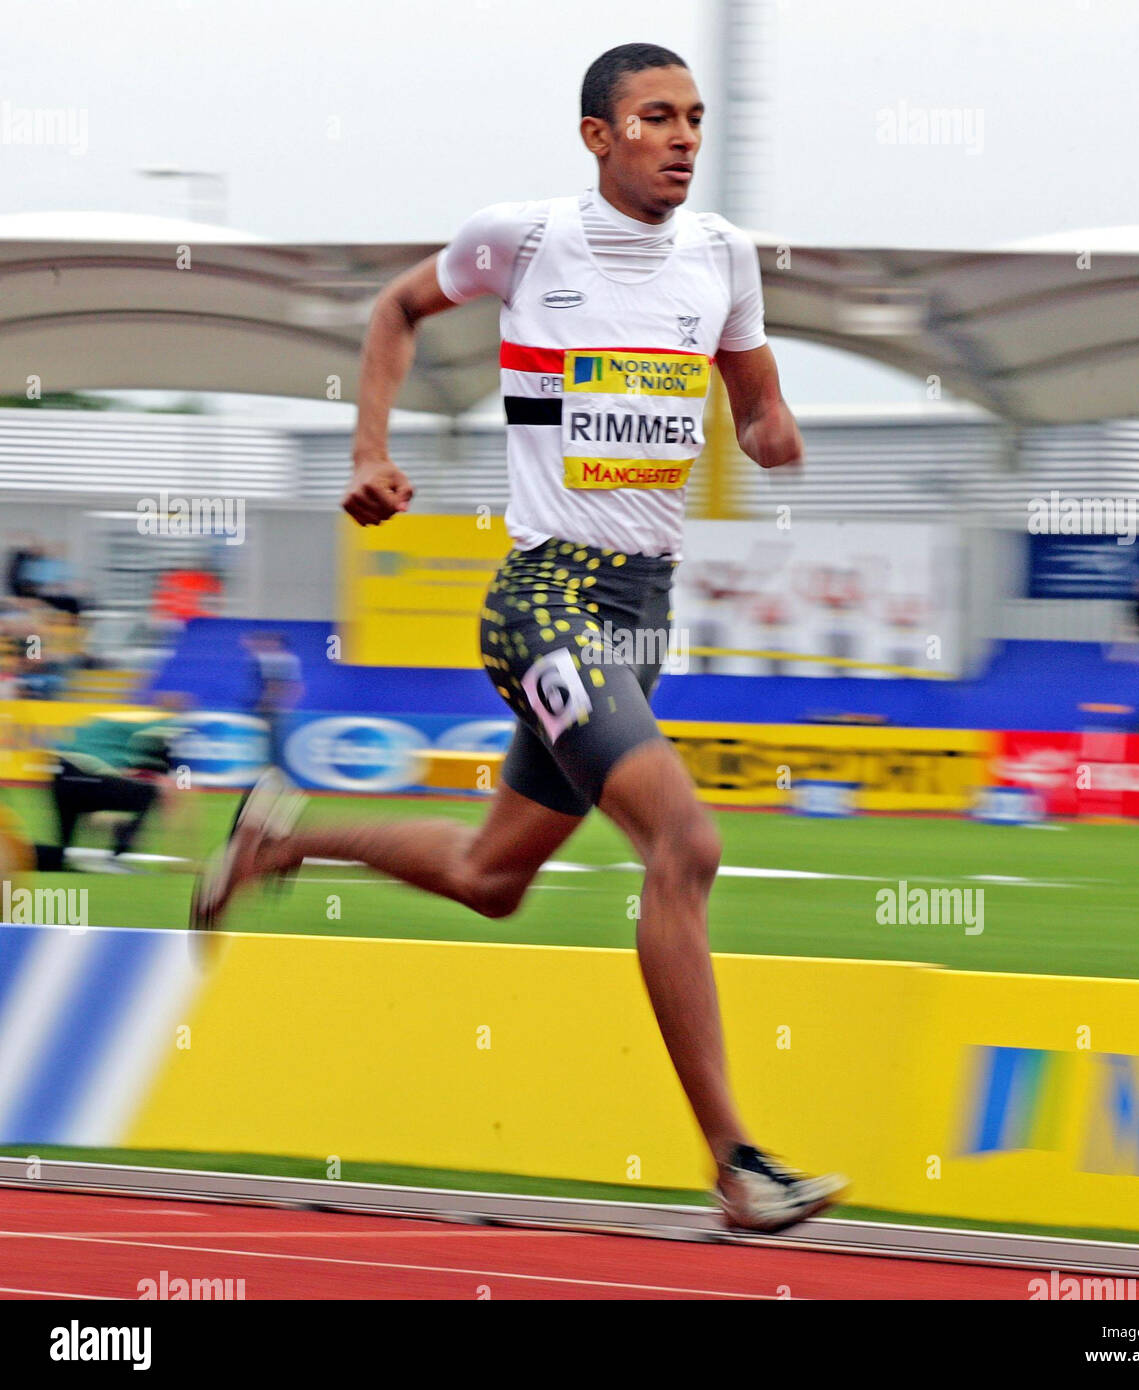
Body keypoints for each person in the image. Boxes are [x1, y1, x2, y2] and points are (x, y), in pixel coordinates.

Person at [193, 42, 845, 1233]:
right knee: (684, 846)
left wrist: (769, 429)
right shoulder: (525, 239)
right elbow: (395, 305)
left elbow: (756, 396)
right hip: (544, 597)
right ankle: (738, 1163)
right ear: (598, 135)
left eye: (695, 118)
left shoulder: (722, 259)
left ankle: (275, 840)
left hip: (643, 610)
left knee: (491, 879)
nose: (684, 138)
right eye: (657, 118)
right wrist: (368, 452)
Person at [33, 696, 190, 872]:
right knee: (148, 794)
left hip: (60, 774)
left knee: (61, 851)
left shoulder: (112, 721)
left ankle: (30, 855)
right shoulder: (161, 723)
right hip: (84, 774)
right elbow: (164, 776)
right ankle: (117, 857)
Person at [242, 631, 304, 769]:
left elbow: (287, 686)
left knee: (274, 743)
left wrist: (285, 705)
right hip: (267, 708)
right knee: (264, 742)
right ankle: (268, 769)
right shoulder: (263, 658)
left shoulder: (283, 660)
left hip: (273, 709)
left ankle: (274, 770)